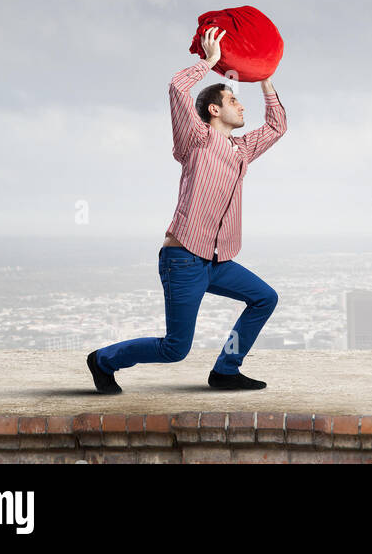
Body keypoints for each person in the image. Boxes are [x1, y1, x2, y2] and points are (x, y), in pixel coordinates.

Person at [87, 26, 287, 392]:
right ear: (214, 109)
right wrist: (207, 62)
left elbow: (277, 125)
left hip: (217, 261)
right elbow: (178, 89)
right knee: (175, 348)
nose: (242, 107)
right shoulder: (196, 139)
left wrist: (265, 78)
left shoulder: (241, 151)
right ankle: (102, 360)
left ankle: (226, 369)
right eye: (233, 101)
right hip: (183, 259)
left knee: (264, 298)